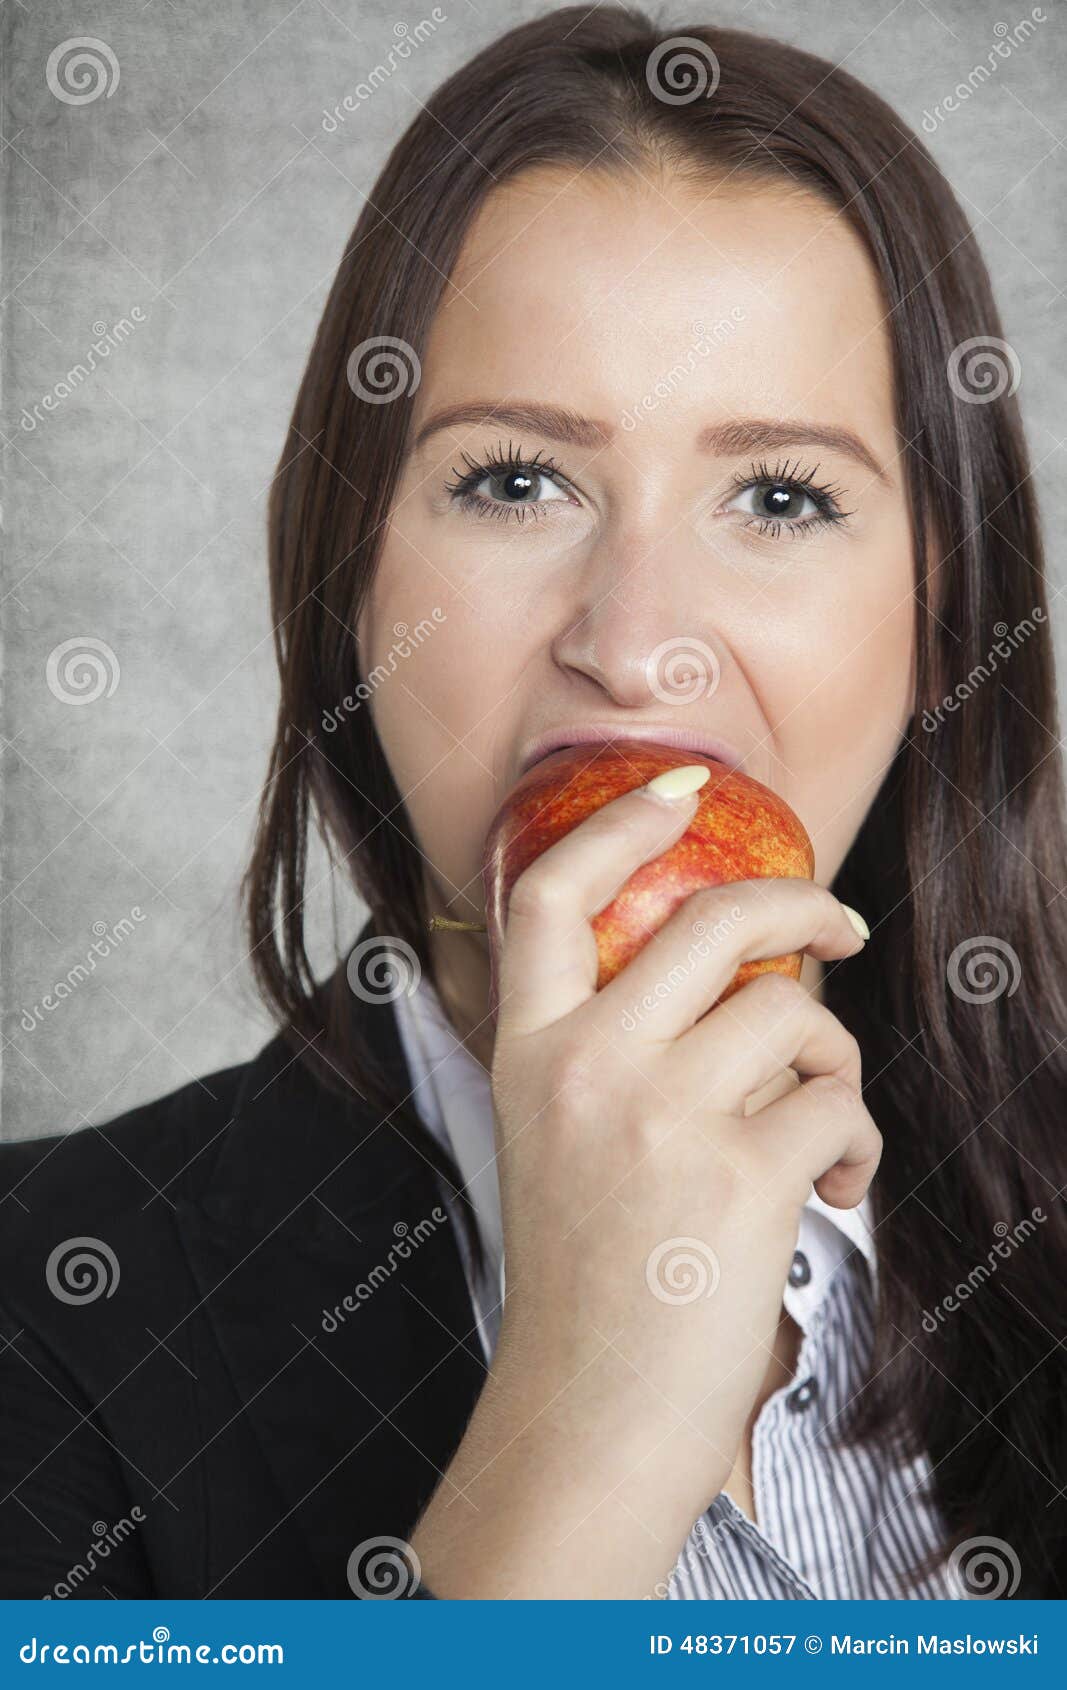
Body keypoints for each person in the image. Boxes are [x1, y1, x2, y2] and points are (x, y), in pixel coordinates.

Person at [2, 6, 1065, 1601]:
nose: (634, 647)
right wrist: (585, 1426)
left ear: (938, 615)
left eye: (779, 496)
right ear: (345, 579)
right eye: (516, 481)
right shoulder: (44, 1308)